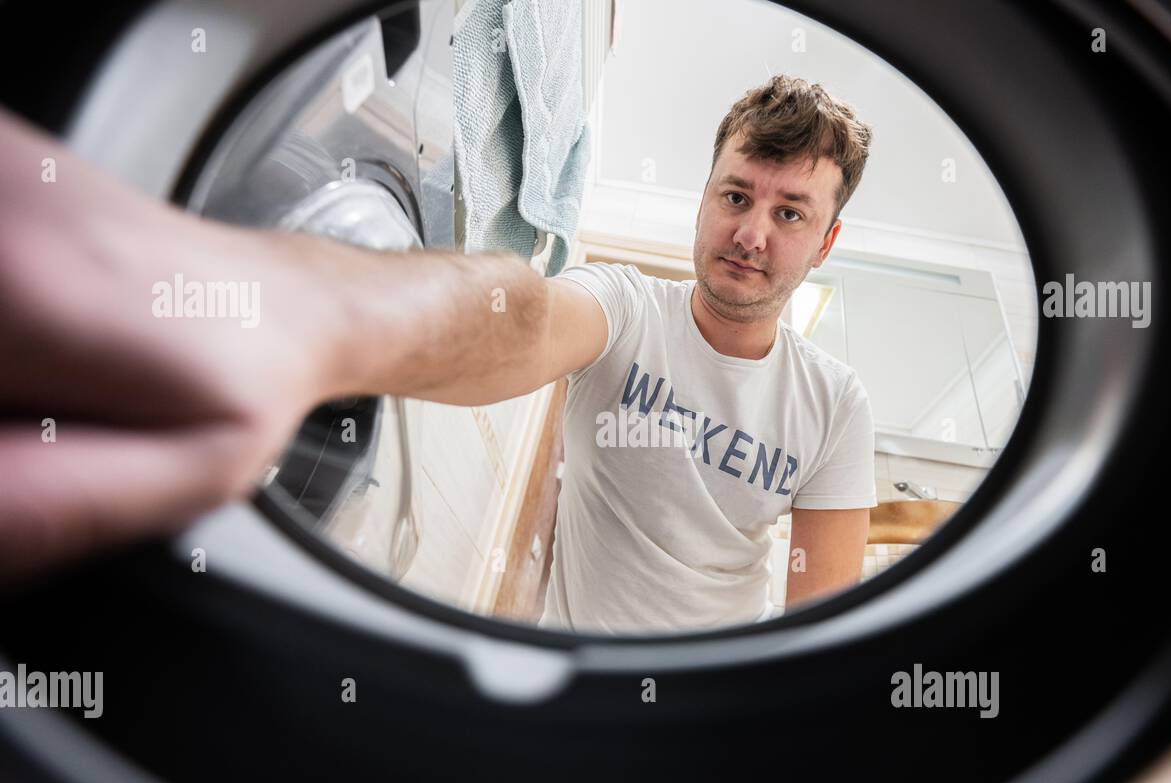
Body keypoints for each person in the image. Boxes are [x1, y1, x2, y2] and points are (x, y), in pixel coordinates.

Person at [0, 74, 876, 633]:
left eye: (790, 212)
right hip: (568, 674)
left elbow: (820, 624)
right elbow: (524, 321)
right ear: (704, 196)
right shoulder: (625, 305)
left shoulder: (834, 405)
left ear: (826, 240)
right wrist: (313, 313)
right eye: (735, 195)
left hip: (712, 707)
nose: (751, 233)